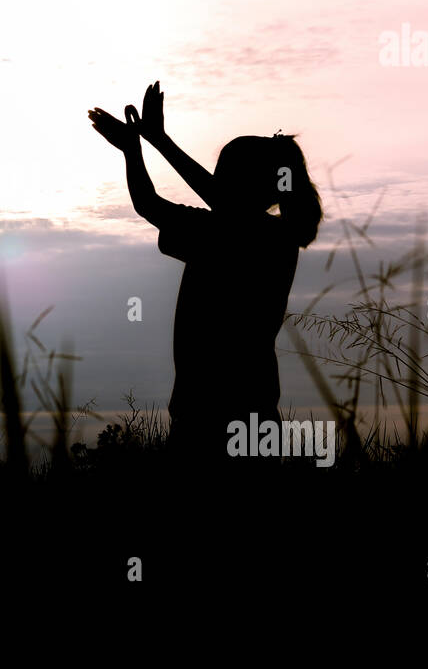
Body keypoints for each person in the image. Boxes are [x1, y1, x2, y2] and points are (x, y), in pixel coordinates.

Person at [88, 82, 322, 464]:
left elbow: (149, 204)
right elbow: (216, 200)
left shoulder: (231, 233)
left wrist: (137, 149)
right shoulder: (276, 238)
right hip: (255, 416)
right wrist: (154, 141)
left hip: (205, 421)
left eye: (223, 173)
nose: (215, 179)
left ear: (243, 184)